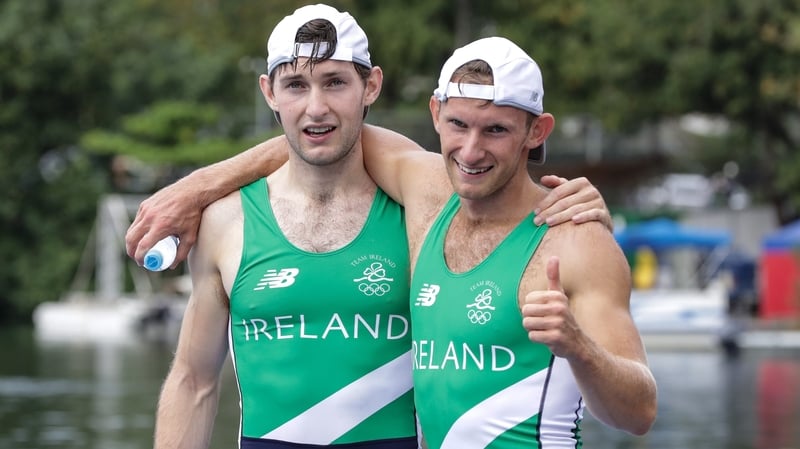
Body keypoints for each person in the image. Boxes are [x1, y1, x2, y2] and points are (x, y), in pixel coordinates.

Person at [136, 5, 615, 449]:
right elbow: (193, 383)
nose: (317, 106)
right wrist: (200, 187)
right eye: (296, 86)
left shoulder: (423, 202)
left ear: (371, 87)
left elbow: (505, 189)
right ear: (269, 92)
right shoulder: (226, 220)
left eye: (335, 82)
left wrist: (578, 214)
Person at [361, 37, 658, 447]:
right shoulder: (427, 198)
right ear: (435, 112)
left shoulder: (574, 240)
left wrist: (578, 346)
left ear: (537, 130)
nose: (471, 150)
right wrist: (235, 174)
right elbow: (320, 133)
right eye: (458, 124)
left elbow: (640, 412)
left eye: (495, 130)